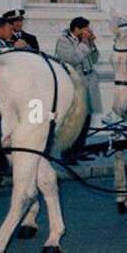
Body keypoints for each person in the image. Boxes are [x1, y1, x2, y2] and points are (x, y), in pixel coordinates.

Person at [54, 16, 100, 159]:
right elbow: (71, 59)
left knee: (86, 119)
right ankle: (68, 153)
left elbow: (95, 59)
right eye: (85, 29)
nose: (88, 31)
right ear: (76, 29)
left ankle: (79, 150)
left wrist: (91, 44)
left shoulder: (83, 42)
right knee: (74, 120)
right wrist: (85, 43)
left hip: (87, 83)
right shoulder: (63, 41)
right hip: (73, 84)